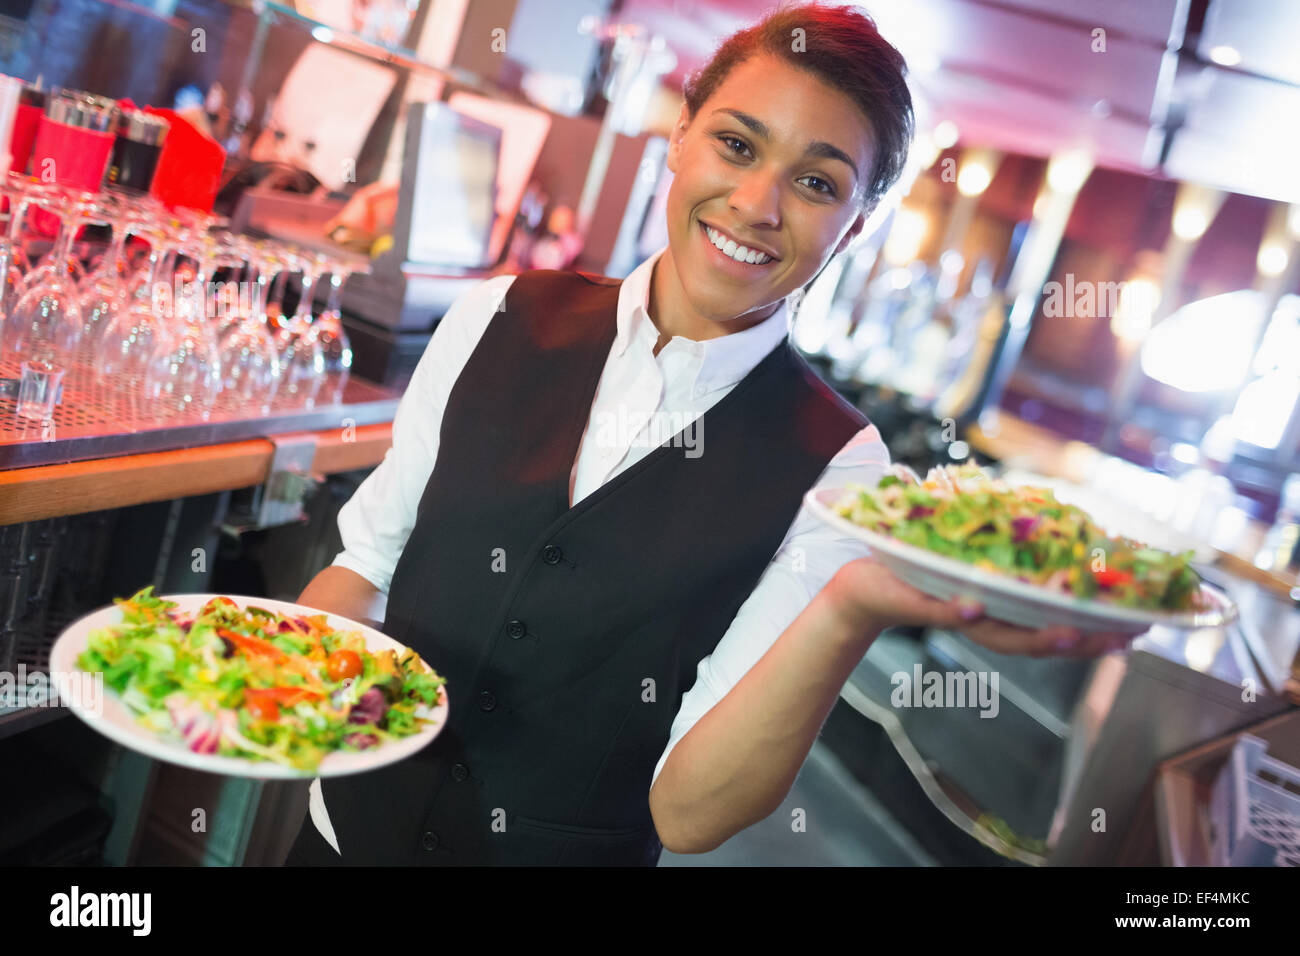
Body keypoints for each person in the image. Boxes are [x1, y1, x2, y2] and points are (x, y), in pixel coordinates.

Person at [283, 2, 1130, 867]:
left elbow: (689, 816)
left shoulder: (842, 471)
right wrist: (307, 694)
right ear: (681, 136)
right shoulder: (497, 312)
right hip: (336, 842)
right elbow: (365, 571)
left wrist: (853, 609)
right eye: (736, 144)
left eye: (817, 182)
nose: (757, 203)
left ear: (856, 224)